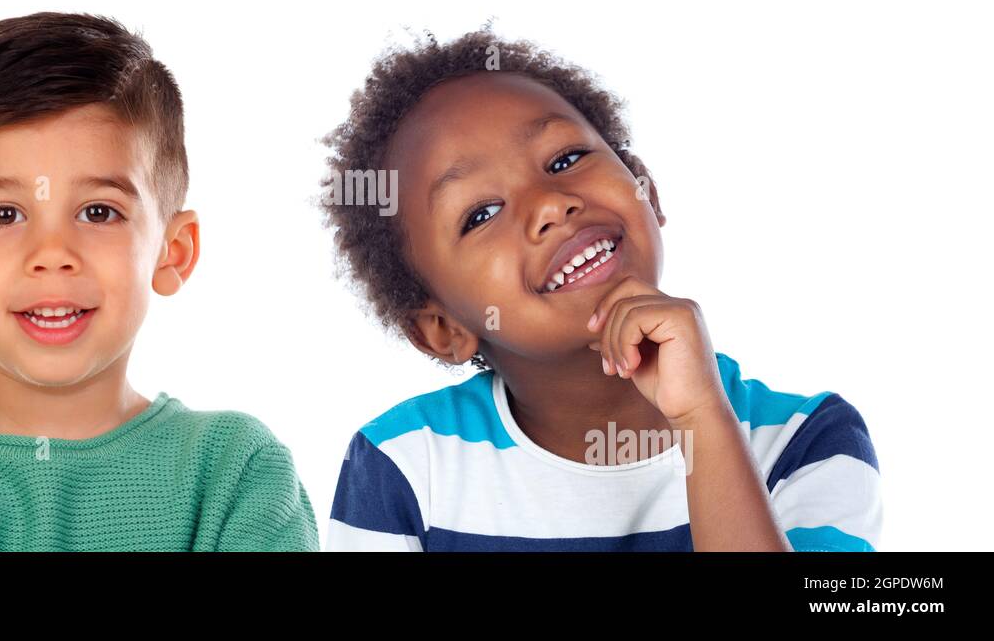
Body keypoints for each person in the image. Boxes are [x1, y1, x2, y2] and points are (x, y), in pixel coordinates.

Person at [318, 29, 881, 551]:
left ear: (647, 190)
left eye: (565, 159)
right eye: (482, 213)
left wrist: (701, 420)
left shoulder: (807, 443)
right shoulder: (403, 469)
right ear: (443, 329)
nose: (549, 204)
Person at [0, 12, 317, 551]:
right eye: (3, 215)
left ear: (173, 251)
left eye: (99, 212)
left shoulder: (235, 472)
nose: (52, 255)